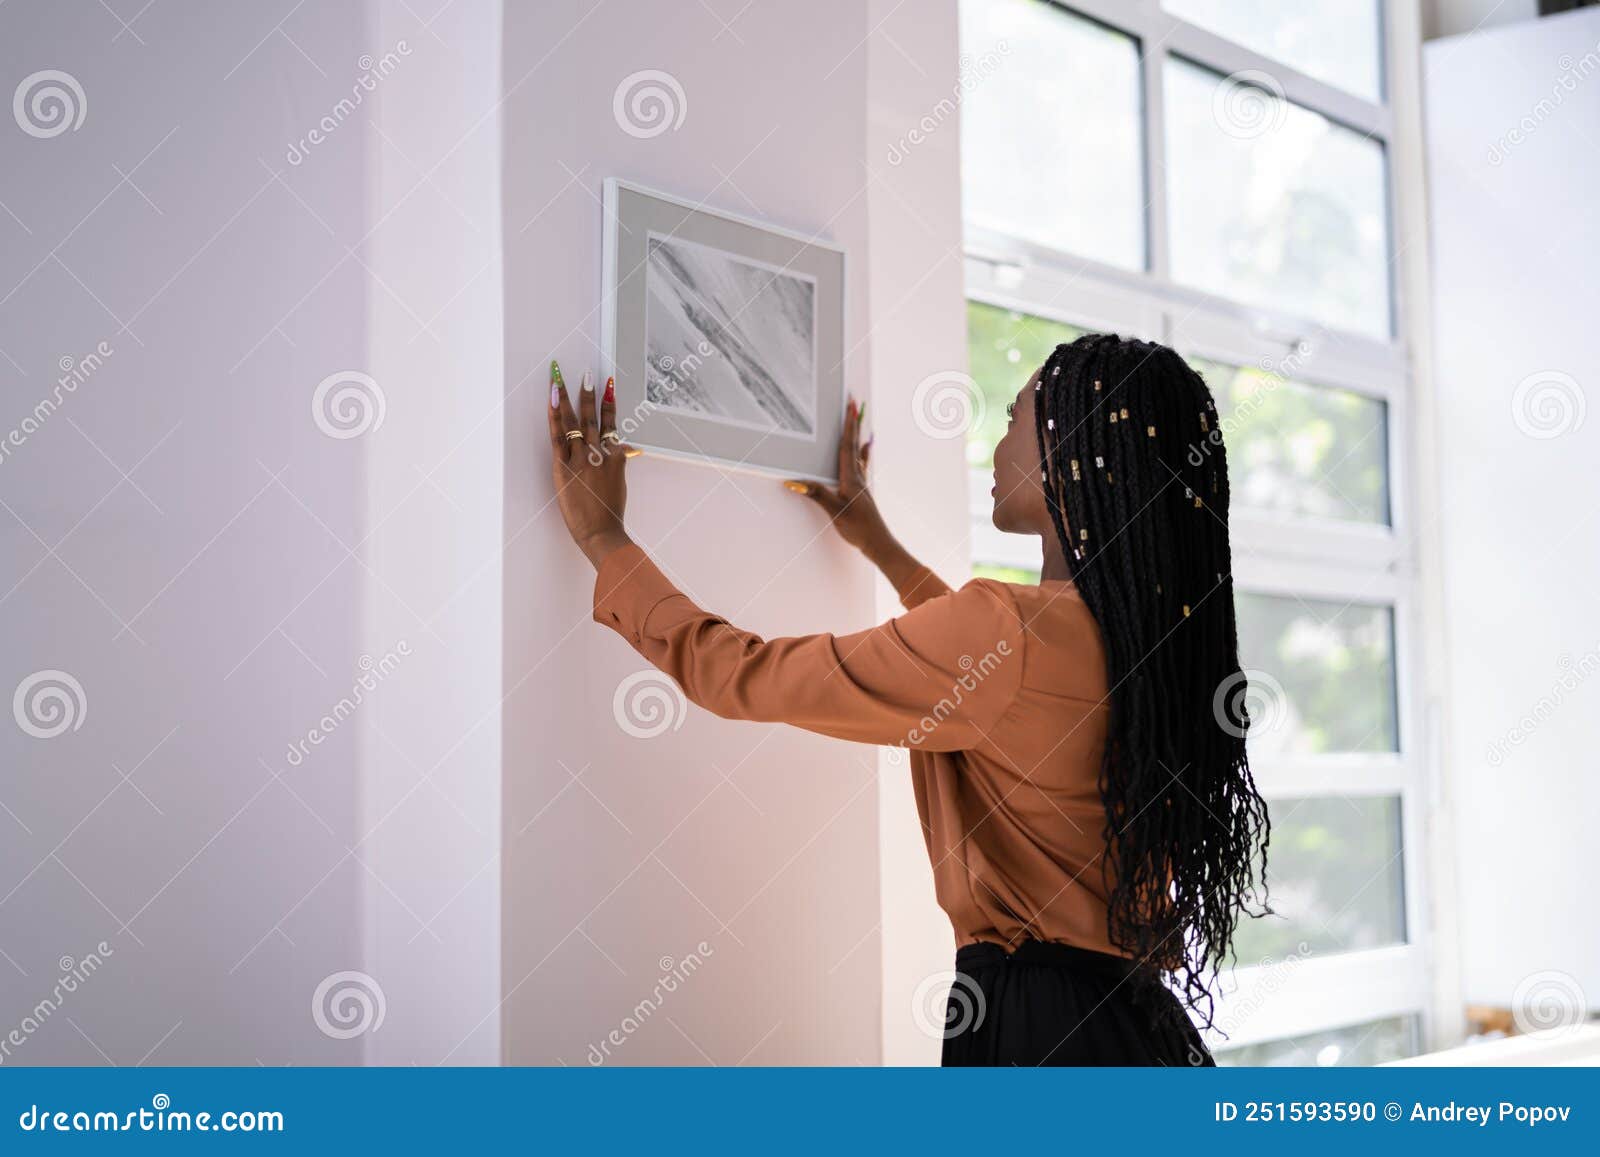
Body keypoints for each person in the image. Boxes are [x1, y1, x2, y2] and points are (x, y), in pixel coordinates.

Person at [544, 334, 1271, 1066]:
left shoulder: (1008, 635)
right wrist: (879, 541)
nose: (998, 443)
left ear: (1071, 450)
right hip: (1139, 1031)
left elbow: (743, 675)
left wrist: (605, 537)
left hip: (1038, 1032)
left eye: (1018, 417)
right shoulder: (1146, 648)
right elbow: (989, 678)